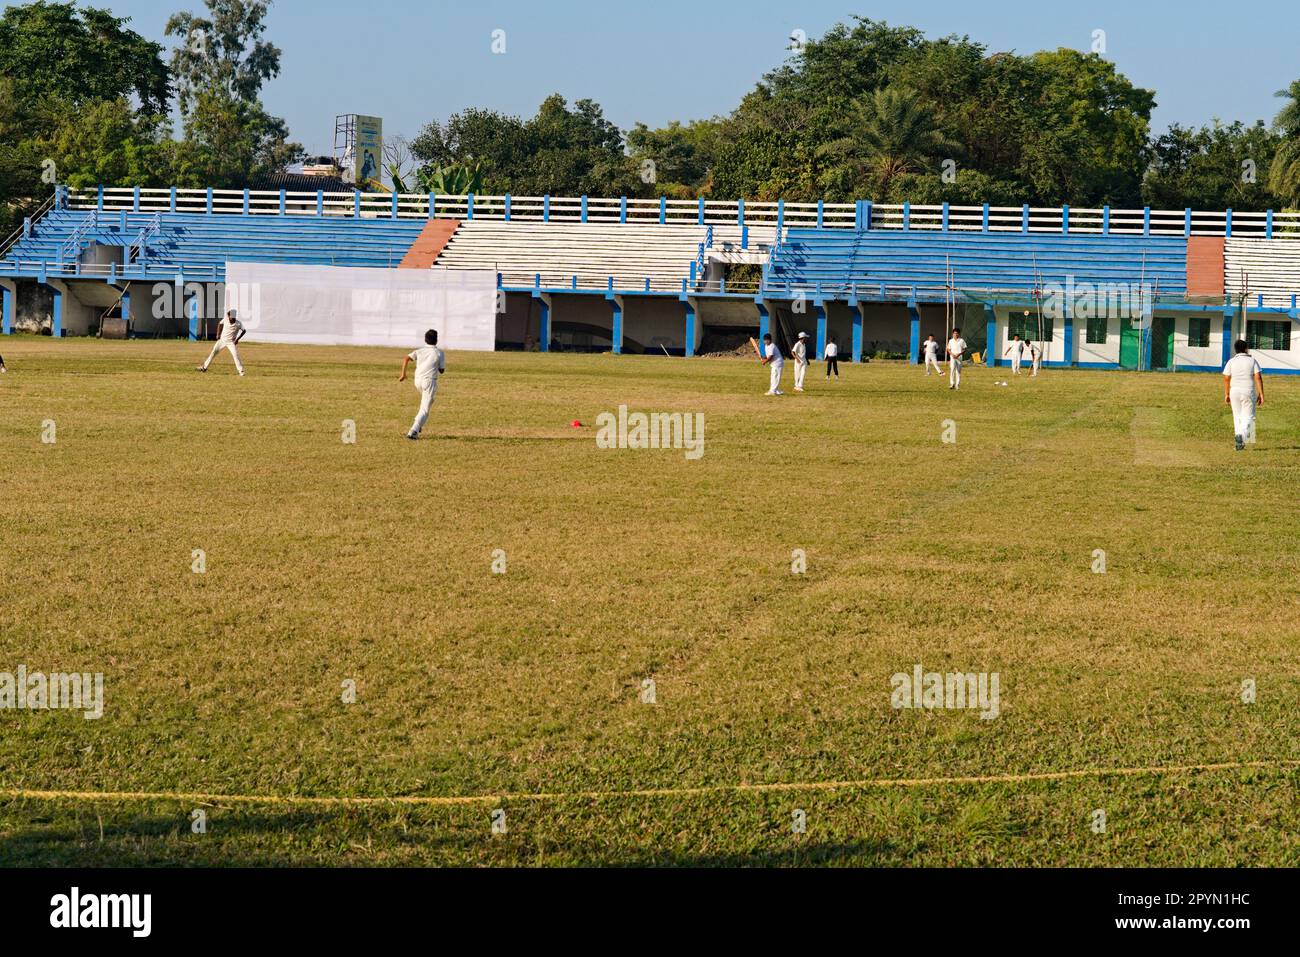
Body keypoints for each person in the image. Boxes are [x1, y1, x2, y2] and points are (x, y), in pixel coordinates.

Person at [399, 329, 446, 440]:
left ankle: (419, 424)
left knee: (426, 404)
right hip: (429, 381)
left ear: (425, 339)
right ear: (436, 340)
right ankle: (414, 431)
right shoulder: (439, 352)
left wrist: (403, 374)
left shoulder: (420, 351)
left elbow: (406, 358)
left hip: (418, 381)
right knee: (425, 409)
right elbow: (442, 370)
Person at [1223, 339, 1264, 451]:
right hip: (1248, 390)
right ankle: (1242, 436)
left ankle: (1239, 445)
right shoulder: (1252, 361)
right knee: (1249, 417)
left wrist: (1226, 394)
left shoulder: (1231, 361)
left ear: (1235, 350)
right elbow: (1258, 377)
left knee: (1237, 417)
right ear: (1246, 349)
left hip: (1234, 391)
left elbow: (1226, 378)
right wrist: (1261, 394)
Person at [196, 309, 246, 376]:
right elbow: (219, 324)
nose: (229, 318)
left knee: (235, 355)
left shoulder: (238, 323)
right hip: (222, 340)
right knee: (213, 352)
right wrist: (218, 334)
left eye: (230, 316)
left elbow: (244, 331)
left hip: (230, 342)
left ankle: (241, 371)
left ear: (234, 316)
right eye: (229, 316)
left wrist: (237, 339)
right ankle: (204, 367)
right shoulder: (225, 319)